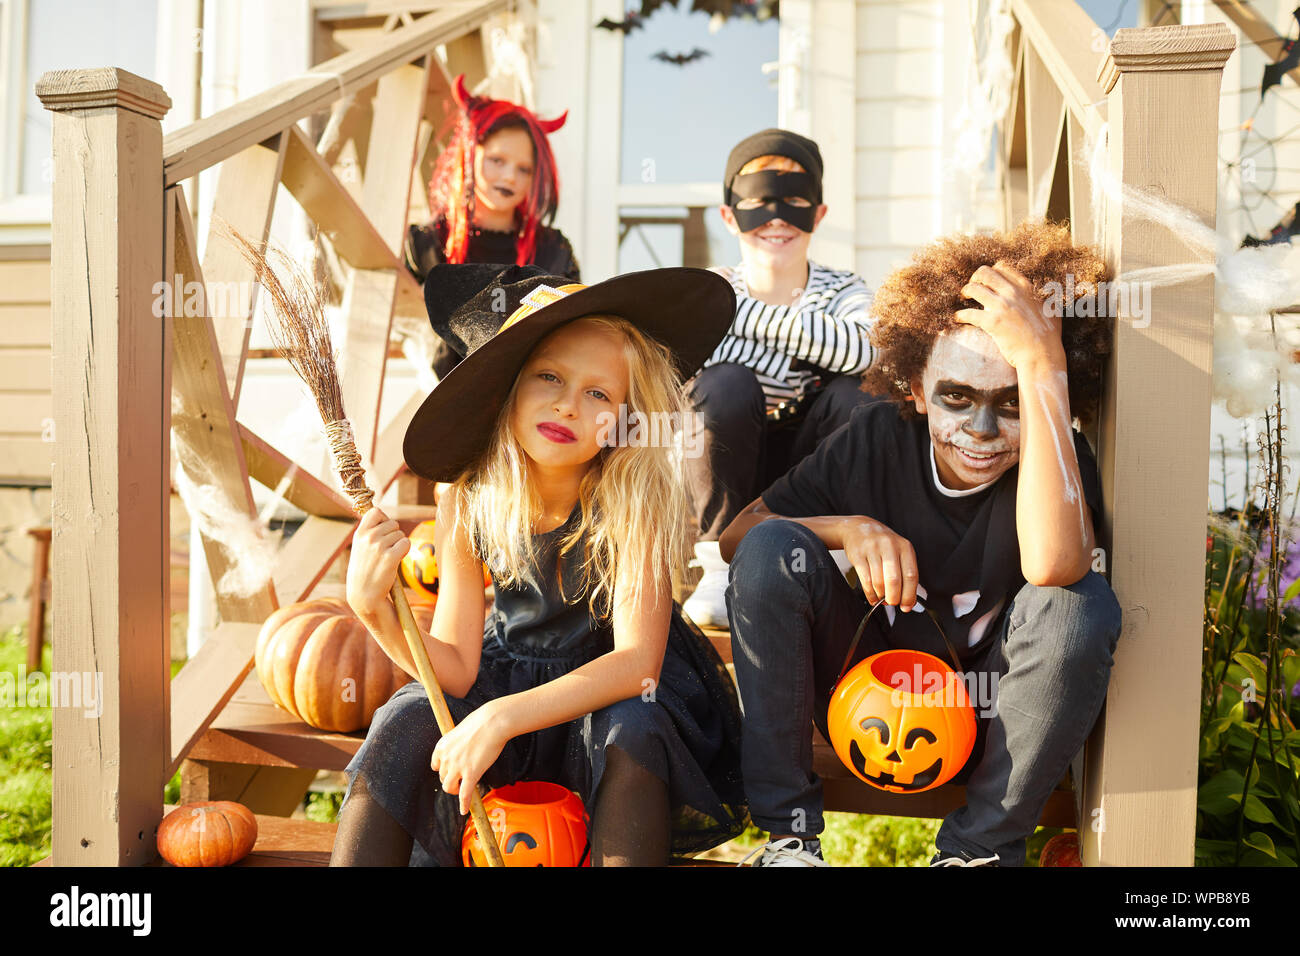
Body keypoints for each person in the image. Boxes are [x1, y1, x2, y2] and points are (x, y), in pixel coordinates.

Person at [719, 220, 1123, 866]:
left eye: (1012, 401)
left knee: (1079, 605)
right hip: (871, 694)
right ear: (915, 390)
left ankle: (978, 850)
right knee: (776, 550)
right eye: (956, 399)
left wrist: (1043, 365)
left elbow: (1055, 565)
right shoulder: (876, 435)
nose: (983, 430)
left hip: (997, 716)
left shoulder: (1055, 452)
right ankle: (789, 838)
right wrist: (847, 528)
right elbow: (739, 539)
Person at [330, 263, 747, 866]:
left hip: (607, 699)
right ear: (509, 386)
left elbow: (635, 665)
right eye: (548, 376)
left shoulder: (636, 500)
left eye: (598, 393)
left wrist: (501, 718)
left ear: (626, 417)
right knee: (408, 712)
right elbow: (454, 667)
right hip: (509, 678)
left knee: (635, 726)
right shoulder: (468, 496)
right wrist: (373, 611)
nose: (568, 405)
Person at [682, 128, 882, 627]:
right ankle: (718, 567)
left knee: (854, 394)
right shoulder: (710, 288)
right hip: (724, 474)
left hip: (808, 465)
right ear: (730, 216)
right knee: (724, 385)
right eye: (759, 202)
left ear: (818, 215)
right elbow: (688, 363)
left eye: (794, 201)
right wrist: (812, 346)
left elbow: (865, 351)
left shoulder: (846, 288)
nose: (775, 217)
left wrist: (744, 318)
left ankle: (828, 559)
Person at [404, 75, 581, 379]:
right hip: (449, 402)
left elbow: (577, 332)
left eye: (524, 169)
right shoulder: (427, 243)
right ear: (470, 155)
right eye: (497, 161)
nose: (510, 176)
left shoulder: (553, 250)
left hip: (530, 400)